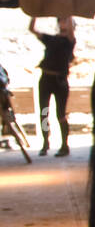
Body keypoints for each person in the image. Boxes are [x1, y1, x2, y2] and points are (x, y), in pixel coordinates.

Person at [28, 15, 76, 156]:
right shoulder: (51, 39)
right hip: (46, 79)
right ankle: (45, 143)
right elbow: (32, 29)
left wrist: (69, 13)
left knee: (60, 114)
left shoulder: (69, 41)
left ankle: (64, 145)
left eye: (65, 20)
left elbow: (71, 31)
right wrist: (34, 14)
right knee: (44, 113)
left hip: (60, 81)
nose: (63, 23)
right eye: (61, 20)